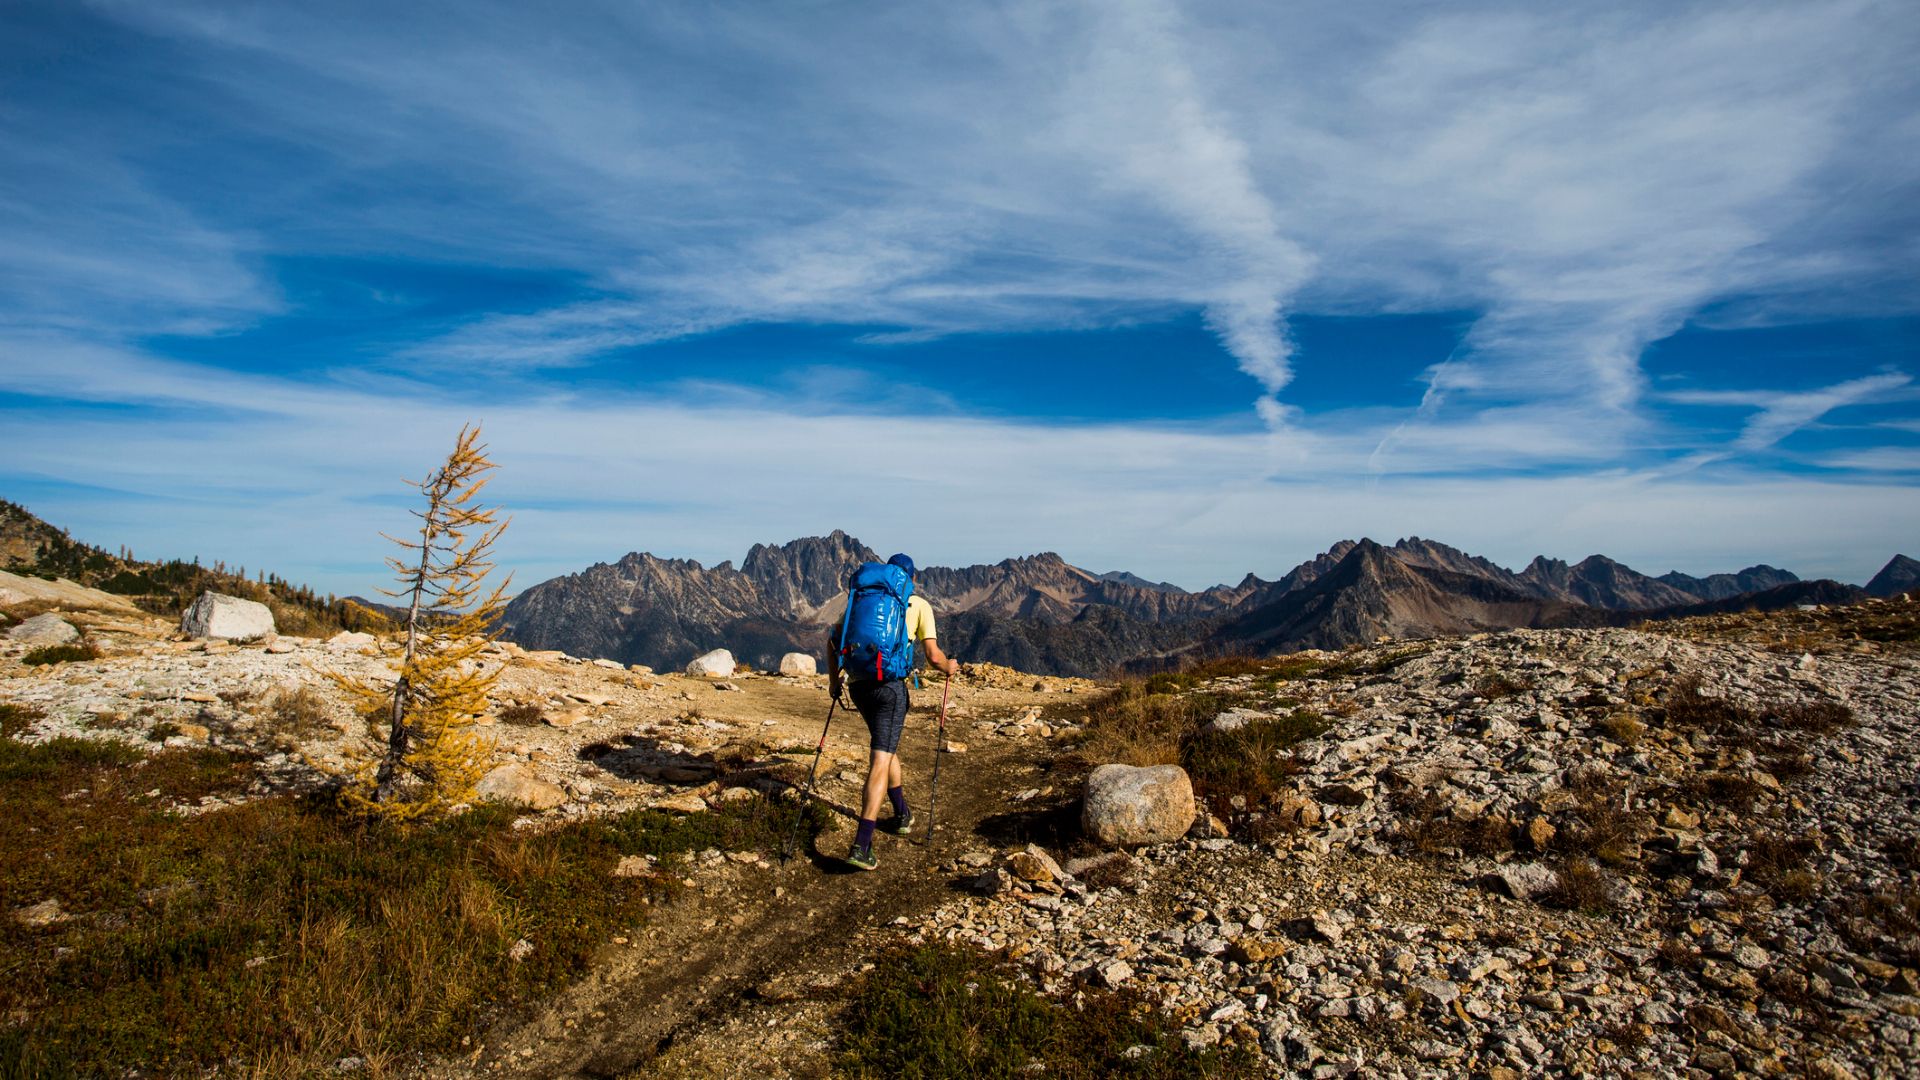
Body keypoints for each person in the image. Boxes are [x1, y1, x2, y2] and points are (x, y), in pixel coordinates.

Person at [826, 552, 959, 871]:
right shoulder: (919, 605)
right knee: (880, 759)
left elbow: (832, 642)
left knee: (885, 746)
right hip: (890, 690)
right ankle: (862, 844)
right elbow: (932, 655)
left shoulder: (862, 602)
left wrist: (834, 683)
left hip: (859, 687)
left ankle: (901, 813)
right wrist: (948, 666)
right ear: (911, 579)